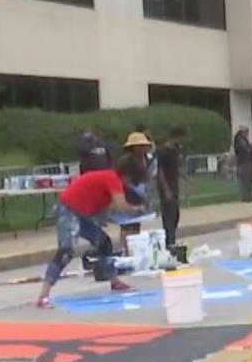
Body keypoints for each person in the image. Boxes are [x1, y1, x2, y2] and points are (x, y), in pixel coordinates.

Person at [36, 167, 147, 308]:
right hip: (67, 209)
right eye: (132, 181)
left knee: (103, 242)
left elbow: (101, 203)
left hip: (79, 212)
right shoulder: (113, 179)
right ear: (128, 176)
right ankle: (43, 295)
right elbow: (122, 206)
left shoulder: (110, 179)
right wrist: (137, 210)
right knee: (66, 250)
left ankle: (115, 282)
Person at [115, 132, 153, 246]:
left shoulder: (143, 159)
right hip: (128, 194)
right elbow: (124, 180)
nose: (144, 148)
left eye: (145, 146)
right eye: (140, 146)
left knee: (136, 224)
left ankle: (134, 245)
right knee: (127, 224)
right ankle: (127, 247)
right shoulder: (127, 161)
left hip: (139, 194)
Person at [155, 127, 186, 248]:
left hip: (174, 185)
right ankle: (169, 241)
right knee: (169, 215)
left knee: (175, 214)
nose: (182, 141)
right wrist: (166, 189)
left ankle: (171, 239)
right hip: (166, 186)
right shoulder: (163, 151)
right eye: (181, 138)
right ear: (176, 137)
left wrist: (186, 178)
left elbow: (175, 167)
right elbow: (160, 171)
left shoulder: (175, 150)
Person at [233, 126, 252, 202]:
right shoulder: (240, 140)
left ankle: (248, 196)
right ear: (243, 131)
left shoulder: (242, 139)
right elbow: (246, 149)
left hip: (245, 161)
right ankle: (246, 197)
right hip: (244, 162)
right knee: (246, 180)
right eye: (246, 131)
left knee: (247, 180)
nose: (247, 133)